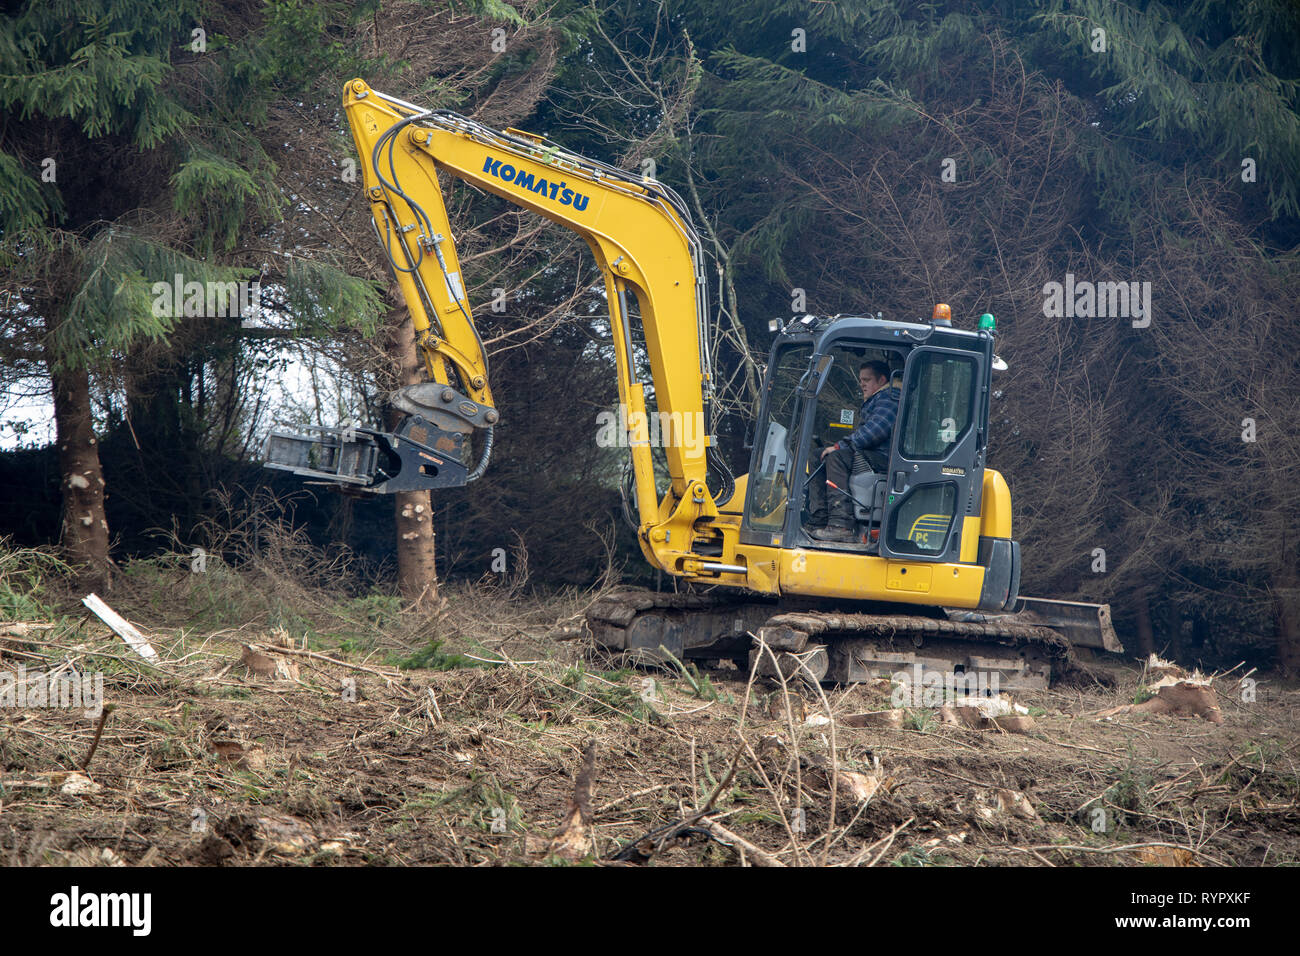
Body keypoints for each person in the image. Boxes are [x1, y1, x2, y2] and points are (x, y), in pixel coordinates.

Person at [807, 360, 899, 543]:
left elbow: (875, 431)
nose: (862, 384)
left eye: (867, 380)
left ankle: (841, 524)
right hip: (872, 454)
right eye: (860, 380)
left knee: (837, 457)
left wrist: (841, 446)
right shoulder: (878, 398)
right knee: (818, 455)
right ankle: (819, 519)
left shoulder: (890, 398)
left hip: (884, 457)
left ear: (882, 380)